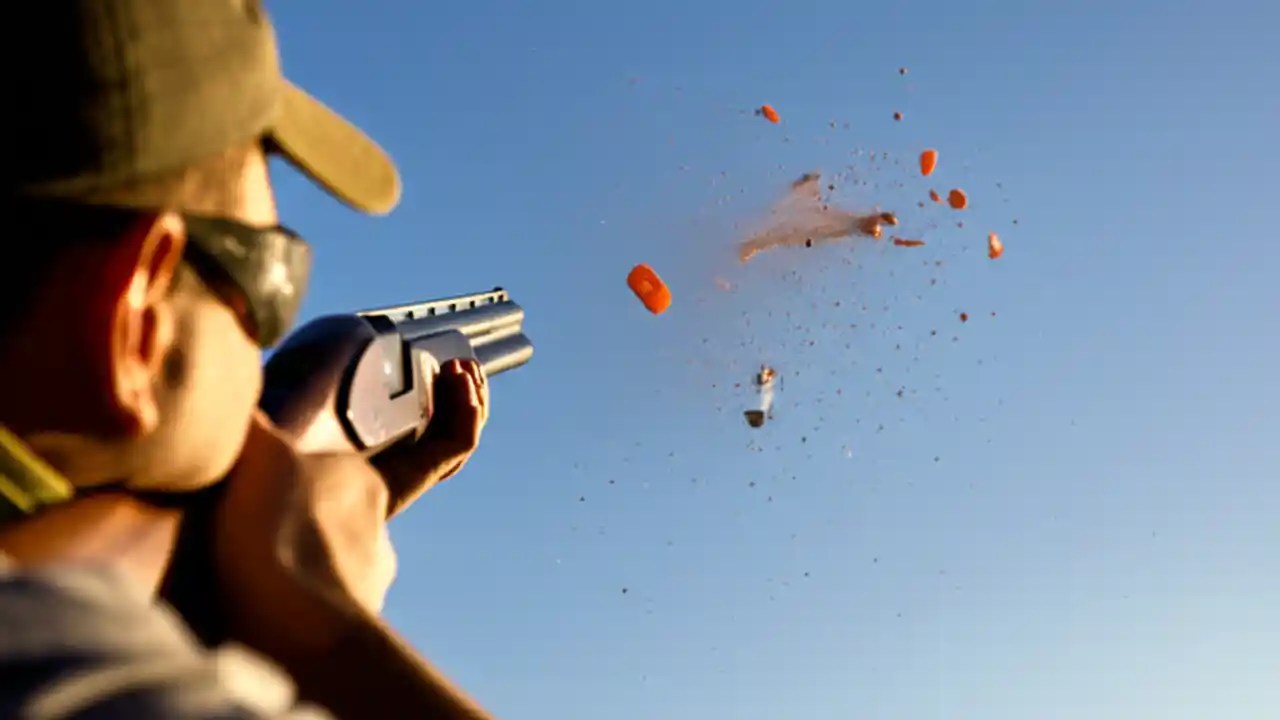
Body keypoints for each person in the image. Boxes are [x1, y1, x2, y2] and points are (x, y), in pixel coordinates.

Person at [0, 2, 496, 718]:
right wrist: (329, 630)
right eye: (273, 271)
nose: (270, 338)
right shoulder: (62, 664)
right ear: (136, 318)